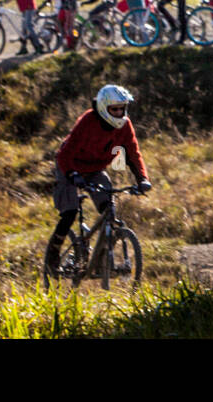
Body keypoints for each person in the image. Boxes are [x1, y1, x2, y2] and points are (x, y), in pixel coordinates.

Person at [45, 84, 152, 278]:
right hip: (70, 167)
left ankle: (104, 260)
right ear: (103, 107)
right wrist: (71, 174)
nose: (119, 113)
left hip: (95, 170)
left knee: (108, 210)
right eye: (114, 109)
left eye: (122, 108)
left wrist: (142, 179)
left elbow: (133, 154)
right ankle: (53, 254)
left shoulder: (125, 125)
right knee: (69, 213)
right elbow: (65, 154)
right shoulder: (88, 121)